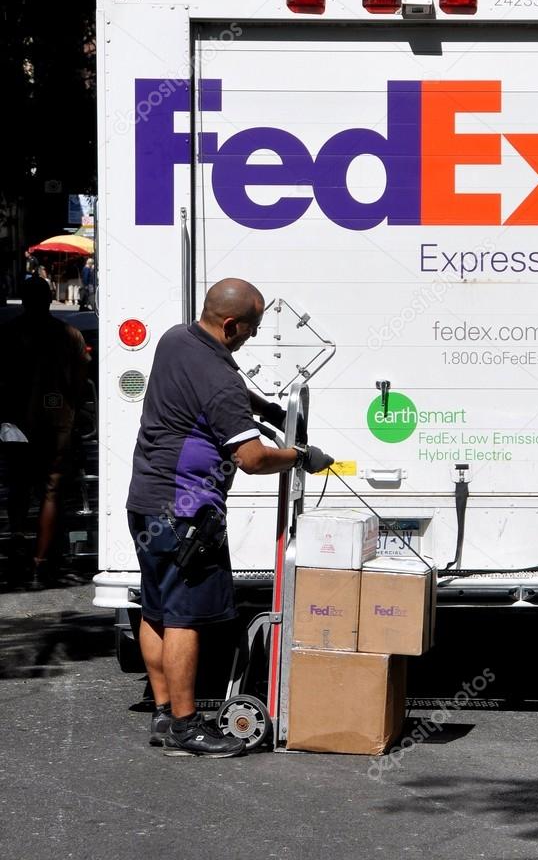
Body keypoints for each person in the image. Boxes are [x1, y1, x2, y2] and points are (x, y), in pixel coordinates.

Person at [126, 278, 333, 758]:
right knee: (184, 619)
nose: (253, 337)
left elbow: (219, 386)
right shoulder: (220, 380)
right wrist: (300, 455)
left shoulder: (178, 339)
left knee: (157, 609)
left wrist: (260, 408)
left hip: (146, 501)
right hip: (186, 511)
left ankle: (162, 715)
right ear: (231, 323)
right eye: (252, 328)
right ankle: (184, 725)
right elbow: (252, 458)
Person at [0, 276, 90, 587]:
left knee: (17, 489)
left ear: (23, 300)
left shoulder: (9, 333)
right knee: (51, 492)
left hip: (16, 423)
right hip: (58, 424)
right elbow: (80, 383)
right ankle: (40, 563)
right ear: (49, 297)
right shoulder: (70, 336)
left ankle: (15, 547)